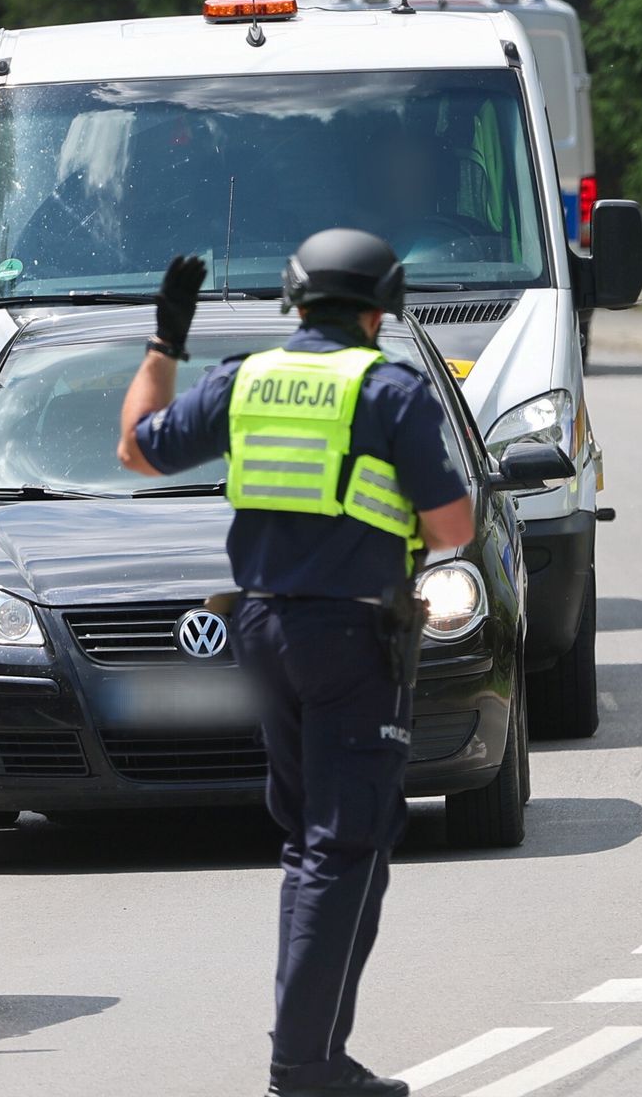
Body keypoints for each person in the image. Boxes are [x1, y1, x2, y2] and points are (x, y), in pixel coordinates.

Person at [117, 229, 474, 1097]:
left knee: (325, 843)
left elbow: (135, 448)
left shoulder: (245, 379)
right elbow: (453, 528)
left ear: (295, 299)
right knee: (343, 845)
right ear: (381, 309)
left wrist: (164, 342)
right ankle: (304, 1068)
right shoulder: (389, 389)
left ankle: (319, 1056)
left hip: (264, 628)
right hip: (350, 636)